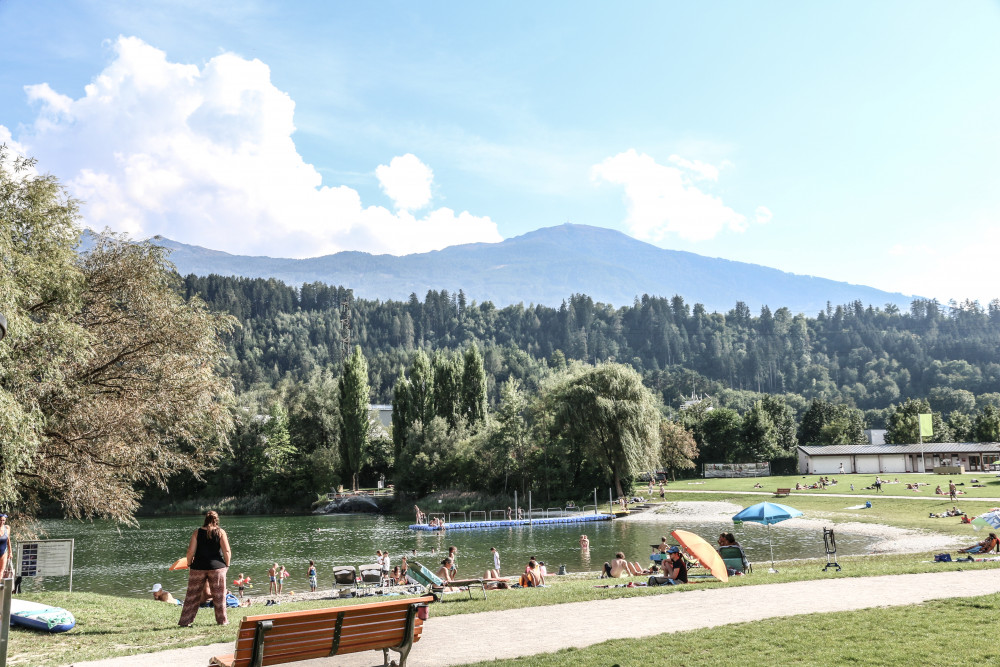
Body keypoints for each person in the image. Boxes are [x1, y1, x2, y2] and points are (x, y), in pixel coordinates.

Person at [179, 510, 231, 627]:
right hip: (217, 567)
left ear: (205, 519)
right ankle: (222, 621)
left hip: (198, 567)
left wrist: (189, 564)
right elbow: (226, 551)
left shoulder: (197, 533)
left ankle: (185, 621)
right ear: (216, 520)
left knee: (192, 595)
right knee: (219, 596)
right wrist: (227, 564)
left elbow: (190, 551)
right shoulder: (221, 532)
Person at [0, 514, 10, 579]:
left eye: (3, 520)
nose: (2, 522)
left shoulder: (7, 528)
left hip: (4, 552)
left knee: (1, 572)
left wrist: (10, 552)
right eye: (0, 520)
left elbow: (8, 540)